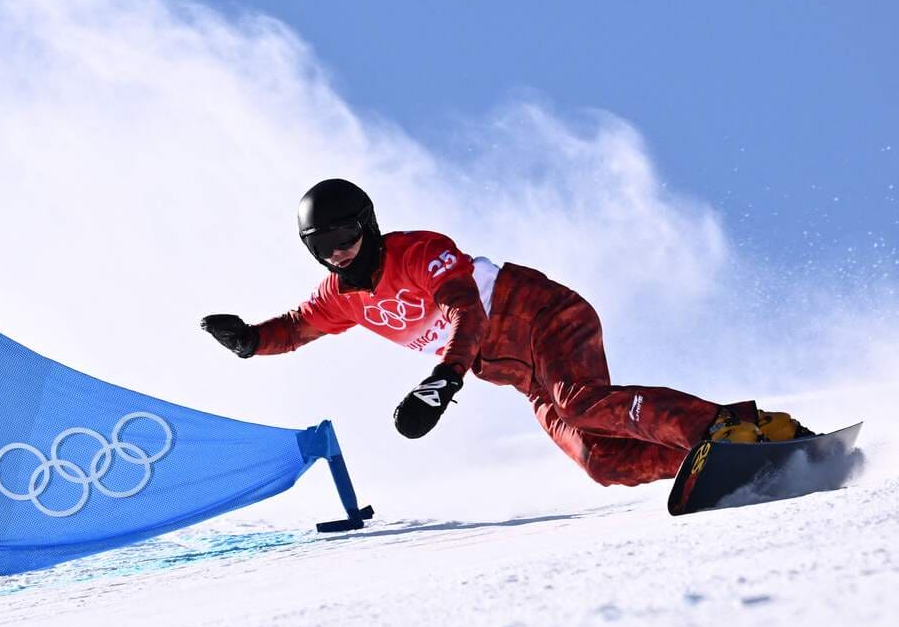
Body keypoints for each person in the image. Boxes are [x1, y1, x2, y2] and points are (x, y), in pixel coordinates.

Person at [200, 179, 813, 487]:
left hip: (543, 314)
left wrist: (443, 379)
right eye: (322, 246)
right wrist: (250, 340)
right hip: (518, 372)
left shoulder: (420, 252)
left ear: (369, 225)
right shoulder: (340, 298)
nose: (338, 253)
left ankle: (729, 429)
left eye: (346, 236)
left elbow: (466, 311)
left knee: (582, 402)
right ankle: (722, 462)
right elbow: (295, 328)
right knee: (601, 461)